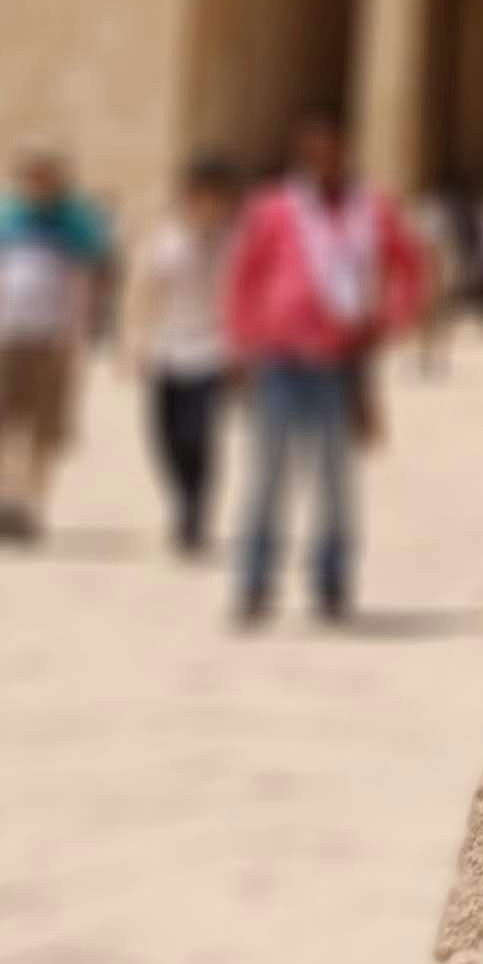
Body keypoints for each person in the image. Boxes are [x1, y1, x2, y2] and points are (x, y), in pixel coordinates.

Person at [219, 114, 428, 627]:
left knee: (336, 481)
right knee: (267, 476)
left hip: (340, 362)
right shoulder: (275, 208)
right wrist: (240, 343)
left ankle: (332, 581)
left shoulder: (371, 209)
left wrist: (392, 320)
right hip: (279, 358)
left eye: (331, 151)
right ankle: (254, 582)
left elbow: (411, 265)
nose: (323, 162)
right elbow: (244, 276)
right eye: (313, 153)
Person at [0, 158, 110, 548]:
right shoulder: (1, 219)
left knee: (43, 427)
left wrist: (76, 340)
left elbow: (83, 287)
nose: (36, 183)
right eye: (30, 175)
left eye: (44, 176)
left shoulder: (77, 226)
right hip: (2, 333)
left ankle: (32, 507)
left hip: (50, 339)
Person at [129, 158, 240, 559]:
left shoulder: (236, 242)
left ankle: (195, 512)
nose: (206, 205)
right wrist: (136, 342)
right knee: (163, 437)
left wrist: (243, 350)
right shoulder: (163, 239)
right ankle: (181, 498)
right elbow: (142, 292)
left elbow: (243, 299)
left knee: (200, 435)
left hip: (214, 350)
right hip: (166, 348)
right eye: (198, 196)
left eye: (214, 197)